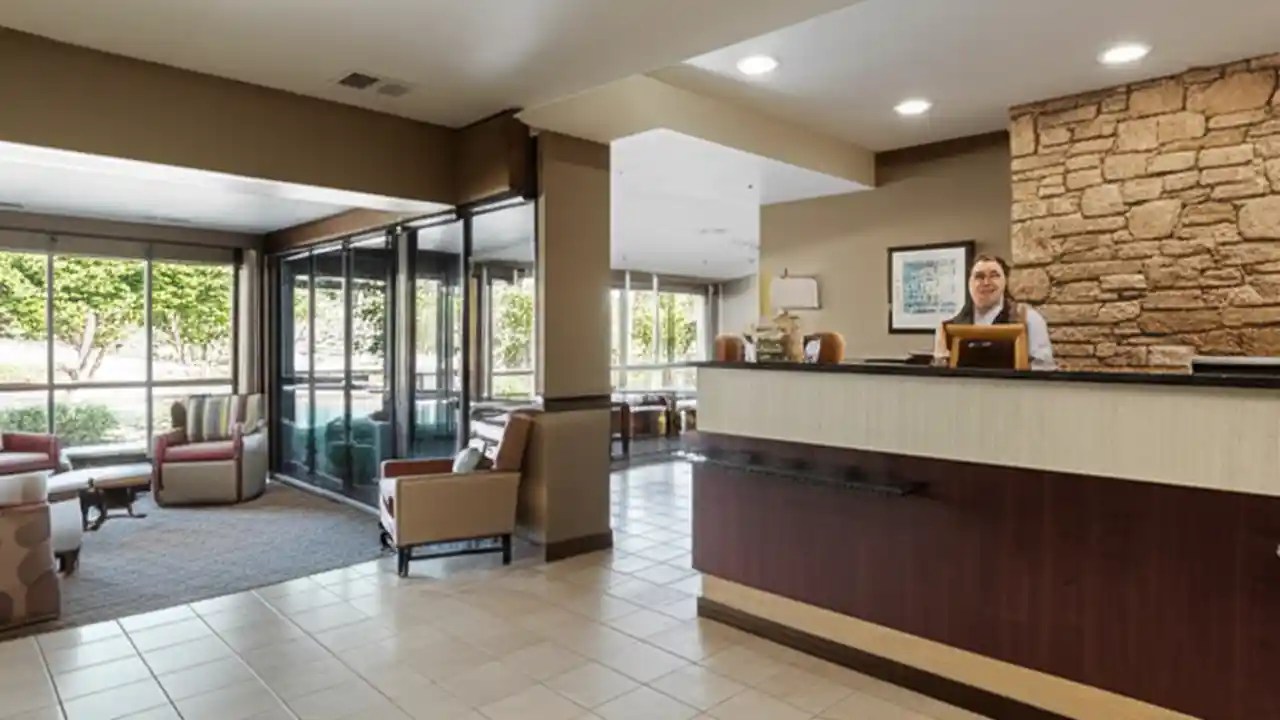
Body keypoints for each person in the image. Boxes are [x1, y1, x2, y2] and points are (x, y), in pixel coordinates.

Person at [932, 254, 1056, 370]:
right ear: (969, 283)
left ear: (1005, 281)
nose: (986, 282)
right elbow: (939, 378)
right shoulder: (948, 328)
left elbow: (1043, 372)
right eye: (979, 276)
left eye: (994, 275)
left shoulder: (1029, 319)